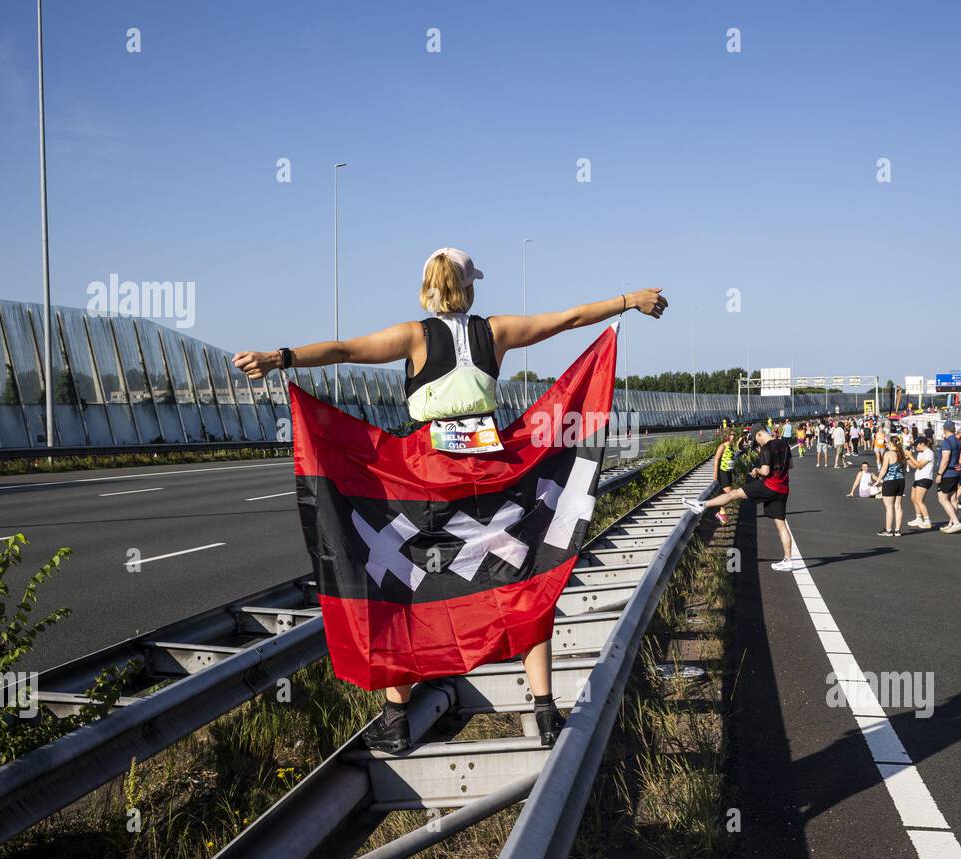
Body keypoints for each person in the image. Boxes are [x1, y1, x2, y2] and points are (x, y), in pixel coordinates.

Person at [233, 247, 668, 751]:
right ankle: (546, 710)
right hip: (492, 477)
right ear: (472, 289)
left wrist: (279, 358)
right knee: (525, 577)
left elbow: (343, 350)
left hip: (428, 479)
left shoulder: (413, 337)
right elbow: (568, 319)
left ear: (427, 288)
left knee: (402, 584)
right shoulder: (496, 332)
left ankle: (397, 721)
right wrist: (628, 300)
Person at [686, 427, 799, 570]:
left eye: (756, 440)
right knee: (781, 525)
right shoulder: (783, 444)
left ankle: (702, 505)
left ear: (759, 434)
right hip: (783, 489)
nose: (757, 443)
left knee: (734, 494)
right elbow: (791, 466)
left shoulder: (766, 448)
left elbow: (765, 471)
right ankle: (788, 560)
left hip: (769, 486)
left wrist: (756, 471)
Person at [935, 422, 961, 533]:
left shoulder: (947, 442)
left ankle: (956, 522)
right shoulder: (957, 441)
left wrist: (939, 474)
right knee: (953, 499)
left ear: (945, 429)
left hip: (947, 473)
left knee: (942, 498)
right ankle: (951, 523)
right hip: (955, 473)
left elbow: (945, 459)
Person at [875, 435, 907, 536]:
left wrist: (878, 480)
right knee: (898, 506)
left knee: (889, 507)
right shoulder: (902, 453)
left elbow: (884, 469)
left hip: (890, 481)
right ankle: (897, 530)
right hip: (901, 480)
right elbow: (904, 469)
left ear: (891, 443)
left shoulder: (888, 454)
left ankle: (888, 530)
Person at [906, 436, 935, 529]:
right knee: (913, 498)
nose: (915, 447)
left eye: (917, 445)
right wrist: (907, 458)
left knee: (919, 500)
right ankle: (918, 518)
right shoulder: (920, 454)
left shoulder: (929, 453)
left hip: (925, 478)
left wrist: (910, 456)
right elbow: (914, 466)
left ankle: (927, 520)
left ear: (922, 444)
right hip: (918, 478)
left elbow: (919, 465)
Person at [713, 427, 737, 524]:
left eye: (734, 435)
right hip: (722, 472)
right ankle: (719, 512)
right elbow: (716, 459)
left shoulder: (731, 446)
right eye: (732, 435)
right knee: (730, 494)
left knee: (726, 494)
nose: (733, 437)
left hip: (728, 472)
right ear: (727, 436)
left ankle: (722, 512)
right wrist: (715, 473)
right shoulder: (722, 446)